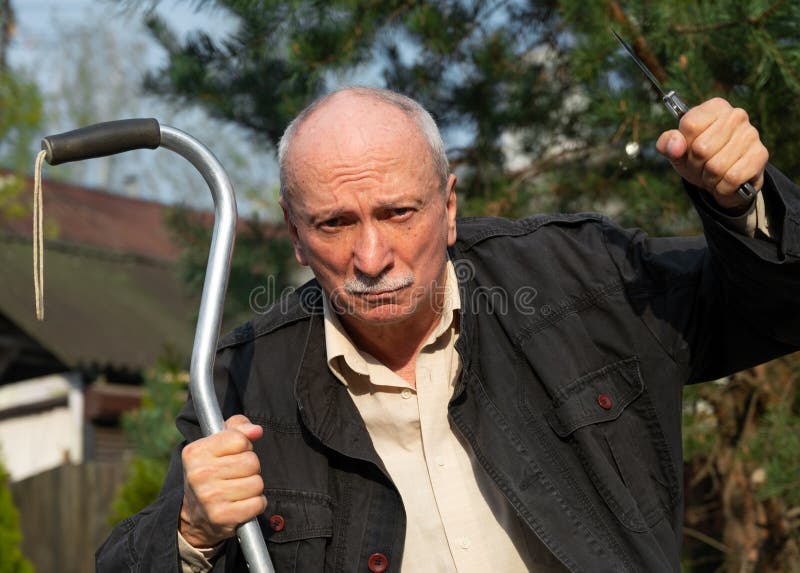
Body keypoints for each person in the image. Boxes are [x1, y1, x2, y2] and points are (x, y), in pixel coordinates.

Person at [97, 86, 799, 573]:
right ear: (296, 236)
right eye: (335, 223)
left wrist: (743, 200)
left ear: (450, 205)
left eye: (399, 212)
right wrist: (190, 532)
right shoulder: (240, 382)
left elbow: (776, 305)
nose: (371, 258)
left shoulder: (581, 281)